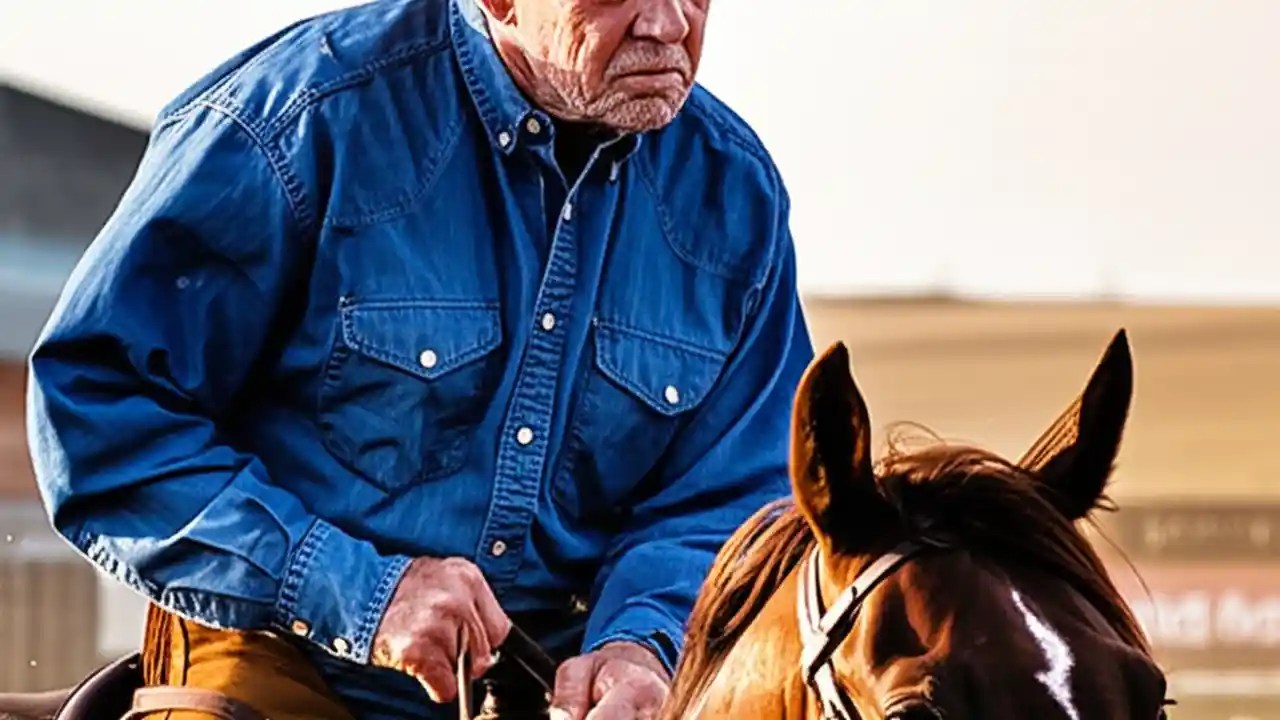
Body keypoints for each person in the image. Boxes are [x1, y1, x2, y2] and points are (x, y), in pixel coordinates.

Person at [26, 0, 813, 718]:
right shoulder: (301, 119)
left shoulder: (734, 198)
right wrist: (361, 593)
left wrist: (644, 642)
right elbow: (97, 407)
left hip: (560, 684)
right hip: (276, 650)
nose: (669, 24)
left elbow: (734, 495)